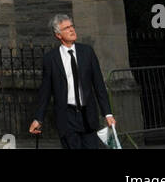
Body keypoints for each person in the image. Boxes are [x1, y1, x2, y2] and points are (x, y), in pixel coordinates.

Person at [29, 14, 115, 149]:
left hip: (88, 114)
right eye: (67, 28)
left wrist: (107, 113)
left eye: (72, 26)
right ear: (58, 35)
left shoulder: (87, 52)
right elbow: (45, 92)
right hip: (66, 116)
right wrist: (38, 118)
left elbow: (99, 85)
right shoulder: (51, 59)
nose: (72, 30)